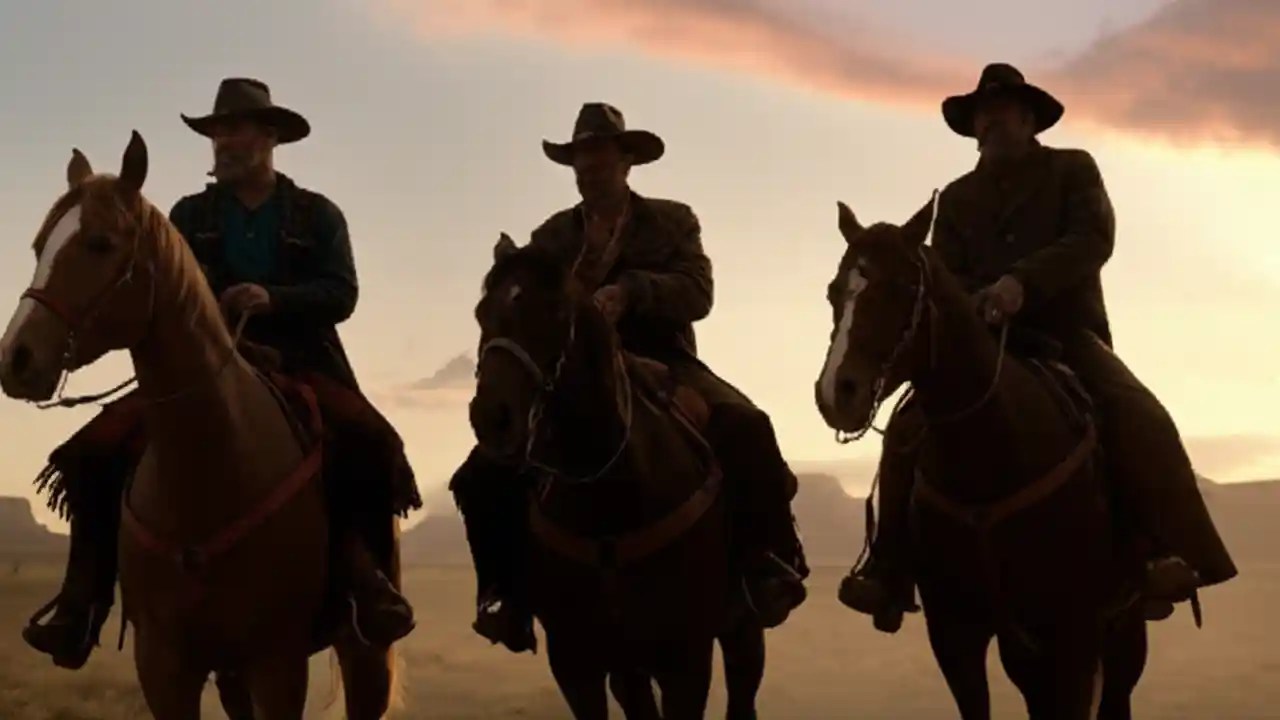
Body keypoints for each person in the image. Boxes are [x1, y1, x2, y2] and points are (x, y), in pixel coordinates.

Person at [22, 77, 423, 669]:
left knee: (369, 442)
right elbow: (161, 288)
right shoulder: (188, 216)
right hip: (200, 368)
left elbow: (341, 292)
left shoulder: (316, 214)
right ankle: (82, 600)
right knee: (90, 454)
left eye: (235, 129)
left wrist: (274, 298)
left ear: (270, 137)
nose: (224, 143)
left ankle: (368, 584)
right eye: (217, 133)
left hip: (302, 360)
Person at [838, 63, 1239, 632]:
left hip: (1065, 332)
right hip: (980, 338)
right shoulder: (956, 198)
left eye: (1003, 111)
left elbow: (1091, 239)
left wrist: (1021, 284)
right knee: (906, 428)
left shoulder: (1072, 169)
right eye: (983, 115)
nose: (991, 122)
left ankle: (1161, 550)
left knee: (1136, 412)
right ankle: (888, 566)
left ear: (1029, 119)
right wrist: (975, 301)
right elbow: (945, 275)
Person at [450, 102, 809, 653]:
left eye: (599, 155)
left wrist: (633, 291)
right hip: (572, 370)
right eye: (580, 159)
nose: (588, 168)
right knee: (481, 473)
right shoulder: (552, 236)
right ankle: (505, 594)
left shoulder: (672, 220)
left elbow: (698, 291)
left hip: (665, 357)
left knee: (747, 425)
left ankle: (768, 561)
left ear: (625, 161)